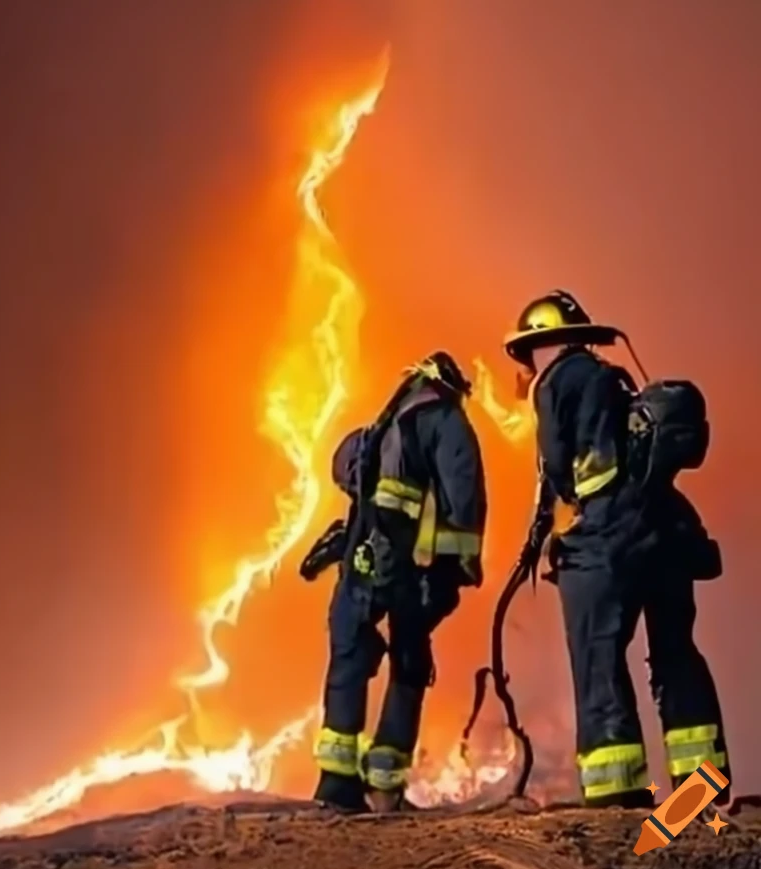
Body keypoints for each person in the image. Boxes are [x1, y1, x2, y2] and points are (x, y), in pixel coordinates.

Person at [504, 289, 730, 808]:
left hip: (607, 537)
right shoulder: (615, 378)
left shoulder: (557, 381)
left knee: (598, 656)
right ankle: (701, 787)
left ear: (543, 344)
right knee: (675, 653)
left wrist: (557, 527)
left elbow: (557, 466)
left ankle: (617, 793)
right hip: (666, 529)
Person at [302, 352, 487, 812]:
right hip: (412, 567)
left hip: (363, 558)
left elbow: (352, 475)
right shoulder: (446, 420)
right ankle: (384, 787)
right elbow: (463, 501)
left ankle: (336, 784)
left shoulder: (385, 425)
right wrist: (460, 567)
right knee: (409, 661)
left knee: (349, 658)